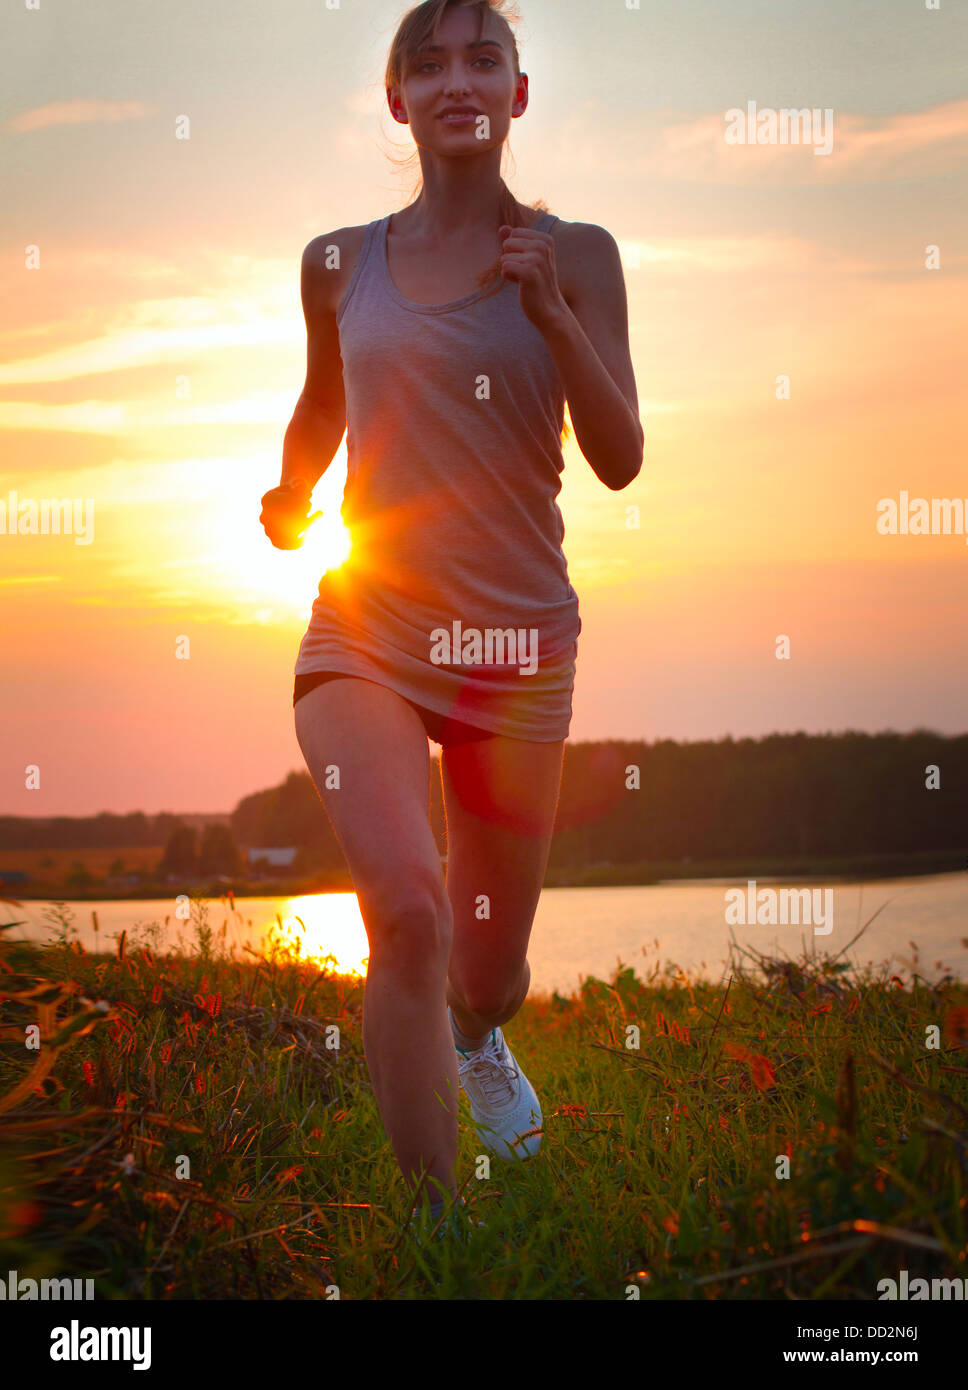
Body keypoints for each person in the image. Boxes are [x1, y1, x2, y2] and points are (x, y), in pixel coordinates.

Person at [259, 0, 643, 1236]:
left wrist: (549, 314)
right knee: (409, 917)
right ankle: (439, 1232)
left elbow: (622, 455)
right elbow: (322, 402)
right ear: (398, 104)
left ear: (517, 94)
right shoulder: (335, 260)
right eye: (427, 65)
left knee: (484, 972)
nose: (455, 80)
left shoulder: (575, 252)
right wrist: (292, 487)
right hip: (365, 629)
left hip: (519, 654)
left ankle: (477, 1043)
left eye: (483, 58)